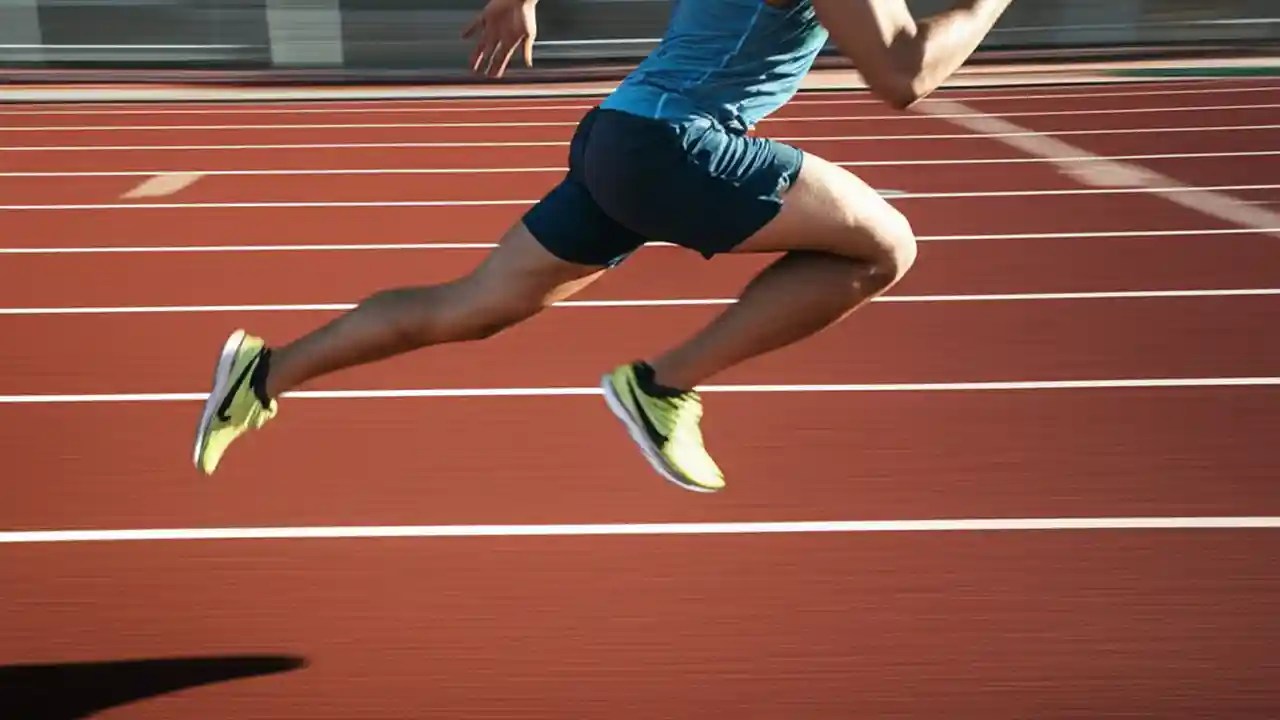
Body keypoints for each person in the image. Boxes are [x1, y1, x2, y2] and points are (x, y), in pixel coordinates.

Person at [193, 0, 1013, 491]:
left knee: (475, 305)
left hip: (619, 134)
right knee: (883, 247)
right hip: (675, 144)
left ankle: (266, 373)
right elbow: (903, 73)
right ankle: (664, 387)